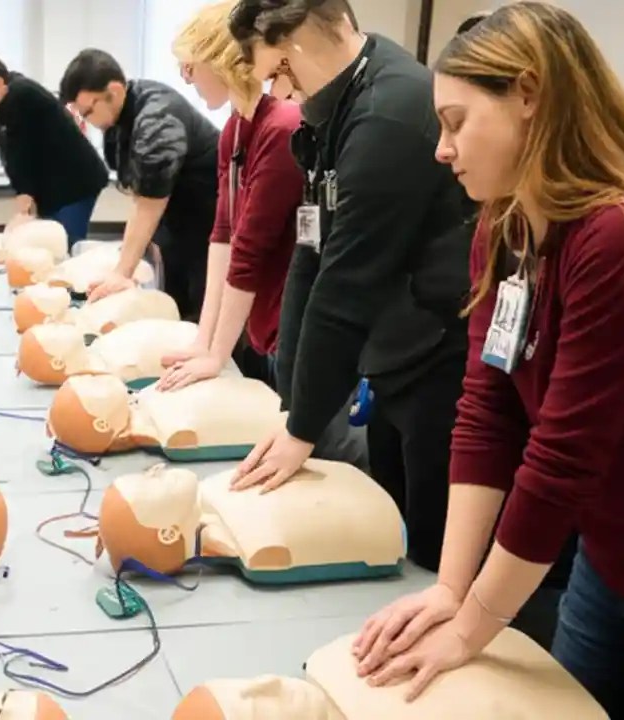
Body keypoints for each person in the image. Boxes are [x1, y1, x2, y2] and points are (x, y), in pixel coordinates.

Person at [349, 4, 624, 716]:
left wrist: (475, 625)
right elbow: (488, 410)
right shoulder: (506, 228)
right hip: (607, 559)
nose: (441, 150)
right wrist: (454, 591)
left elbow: (561, 458)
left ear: (530, 95)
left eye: (455, 122)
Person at [227, 0, 470, 575]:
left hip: (439, 357)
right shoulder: (334, 107)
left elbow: (345, 286)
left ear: (299, 46)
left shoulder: (390, 113)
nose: (280, 96)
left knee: (429, 553)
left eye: (278, 74)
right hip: (392, 352)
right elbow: (308, 258)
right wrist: (292, 407)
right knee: (391, 530)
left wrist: (303, 430)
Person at [156, 0, 304, 391]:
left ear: (220, 59)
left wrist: (217, 355)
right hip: (259, 320)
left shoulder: (283, 127)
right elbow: (223, 235)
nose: (188, 80)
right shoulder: (235, 130)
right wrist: (203, 343)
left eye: (190, 67)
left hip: (290, 319)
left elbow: (251, 249)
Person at [58, 48, 220, 320]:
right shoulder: (121, 118)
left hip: (209, 222)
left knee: (202, 310)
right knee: (173, 300)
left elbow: (148, 204)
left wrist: (122, 272)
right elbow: (137, 194)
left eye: (87, 111)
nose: (88, 121)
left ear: (114, 90)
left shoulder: (157, 119)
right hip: (175, 219)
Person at [0, 51, 110, 245]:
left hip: (75, 184)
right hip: (57, 183)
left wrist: (24, 197)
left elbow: (20, 154)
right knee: (47, 243)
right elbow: (22, 152)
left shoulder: (20, 95)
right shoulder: (10, 95)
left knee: (63, 245)